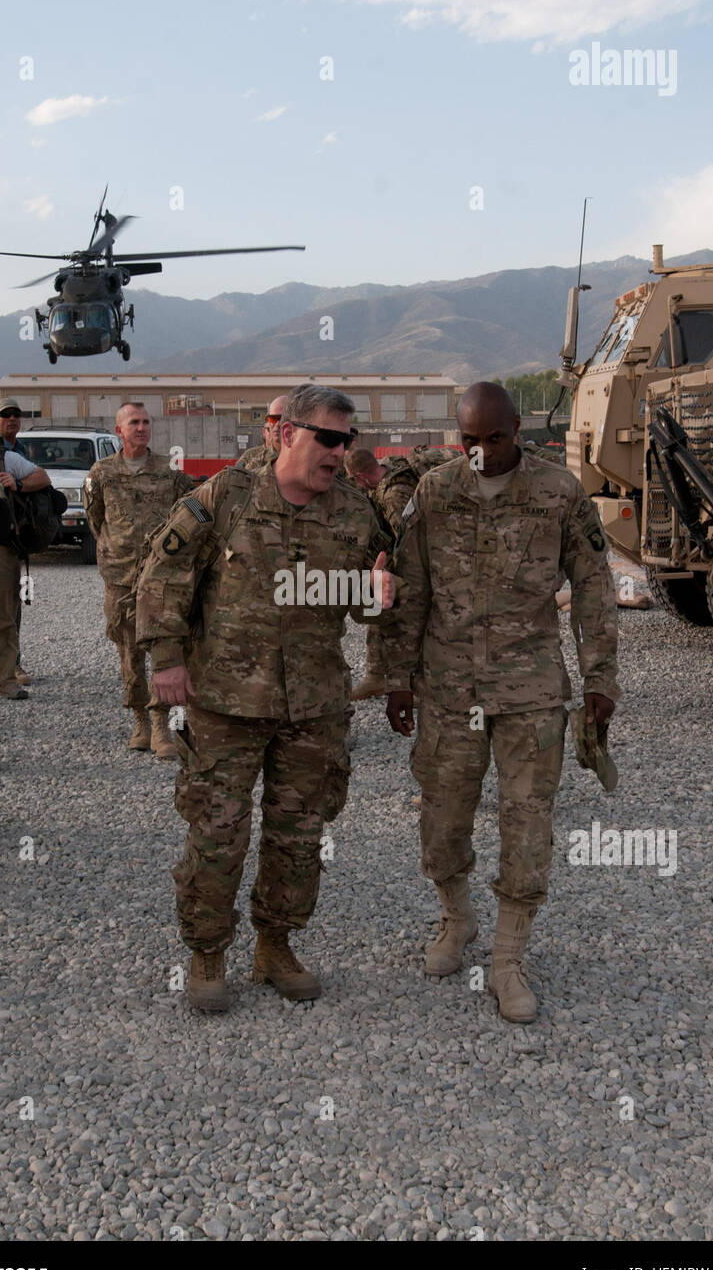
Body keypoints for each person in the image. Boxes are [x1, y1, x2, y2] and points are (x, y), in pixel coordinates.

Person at [136, 383, 395, 1012]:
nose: (338, 451)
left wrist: (379, 594)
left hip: (312, 707)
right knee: (216, 834)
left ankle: (275, 946)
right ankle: (206, 954)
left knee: (299, 837)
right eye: (326, 437)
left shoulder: (357, 515)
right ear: (285, 434)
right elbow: (162, 572)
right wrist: (166, 658)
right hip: (225, 702)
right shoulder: (226, 496)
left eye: (347, 440)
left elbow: (363, 604)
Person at [383, 382, 619, 1023]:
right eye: (470, 440)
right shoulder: (435, 493)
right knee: (443, 815)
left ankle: (508, 958)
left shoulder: (559, 493)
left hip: (530, 691)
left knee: (526, 823)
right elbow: (410, 589)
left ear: (519, 428)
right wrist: (396, 675)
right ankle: (456, 920)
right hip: (448, 688)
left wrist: (600, 677)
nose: (483, 451)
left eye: (495, 437)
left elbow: (594, 585)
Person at [84, 402, 195, 757]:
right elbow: (95, 518)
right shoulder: (101, 472)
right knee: (129, 651)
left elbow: (190, 511)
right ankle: (140, 722)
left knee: (165, 649)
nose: (142, 428)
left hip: (160, 576)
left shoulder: (169, 470)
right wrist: (115, 550)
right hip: (120, 577)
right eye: (134, 422)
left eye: (146, 422)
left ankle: (162, 725)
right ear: (119, 430)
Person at [348, 444, 456, 701]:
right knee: (378, 611)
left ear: (360, 477)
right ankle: (375, 676)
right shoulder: (388, 473)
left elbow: (409, 539)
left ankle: (416, 684)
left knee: (411, 624)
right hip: (398, 564)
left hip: (418, 567)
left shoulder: (393, 495)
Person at [0, 402, 51, 699]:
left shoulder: (14, 453)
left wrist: (17, 484)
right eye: (6, 415)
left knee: (7, 610)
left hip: (6, 543)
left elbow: (42, 479)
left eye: (15, 415)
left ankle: (8, 668)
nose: (11, 419)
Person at [236, 395, 286, 471]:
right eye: (273, 419)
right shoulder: (253, 459)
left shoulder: (303, 457)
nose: (278, 424)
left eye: (283, 419)